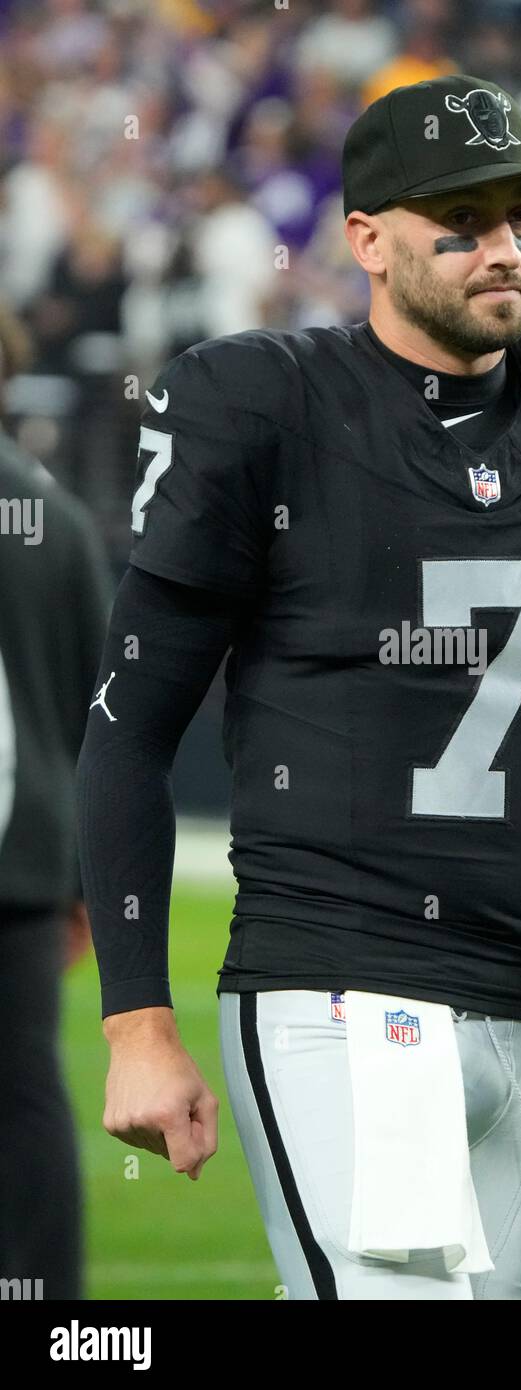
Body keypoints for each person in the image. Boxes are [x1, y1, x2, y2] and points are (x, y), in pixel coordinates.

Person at [77, 74, 521, 1302]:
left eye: (518, 218)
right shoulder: (259, 405)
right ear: (365, 238)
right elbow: (127, 731)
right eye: (459, 224)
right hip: (342, 993)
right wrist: (138, 1026)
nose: (501, 249)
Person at [0, 300, 113, 1300]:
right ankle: (49, 1302)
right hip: (29, 860)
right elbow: (101, 713)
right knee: (27, 1093)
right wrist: (85, 875)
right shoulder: (59, 517)